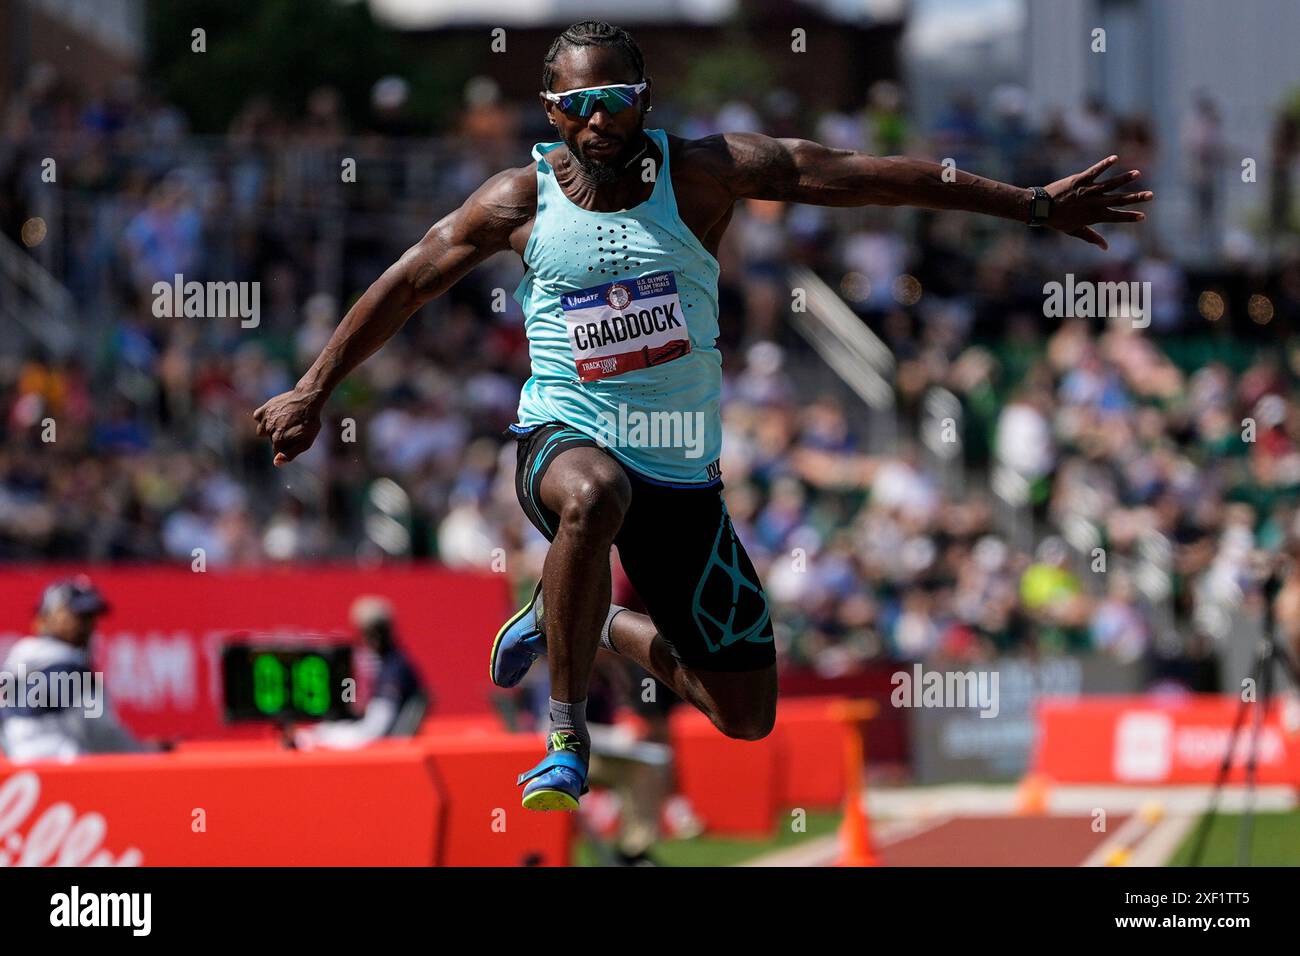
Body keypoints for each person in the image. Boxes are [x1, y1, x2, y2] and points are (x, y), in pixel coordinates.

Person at [253, 20, 1154, 811]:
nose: (598, 121)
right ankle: (565, 736)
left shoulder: (707, 174)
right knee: (591, 495)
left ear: (646, 101)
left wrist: (1030, 204)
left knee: (747, 714)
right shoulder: (518, 200)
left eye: (617, 100)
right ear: (549, 109)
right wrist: (314, 390)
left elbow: (860, 176)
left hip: (682, 472)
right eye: (579, 105)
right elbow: (409, 279)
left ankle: (590, 617)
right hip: (560, 441)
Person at [0, 576, 144, 762]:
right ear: (46, 618)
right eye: (79, 616)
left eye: (90, 617)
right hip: (64, 773)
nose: (88, 625)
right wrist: (143, 752)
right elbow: (100, 731)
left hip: (20, 774)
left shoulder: (16, 662)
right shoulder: (72, 668)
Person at [293, 596, 428, 749]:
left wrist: (321, 738)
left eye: (376, 631)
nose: (371, 638)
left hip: (382, 756)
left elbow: (373, 732)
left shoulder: (394, 669)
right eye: (366, 631)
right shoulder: (372, 664)